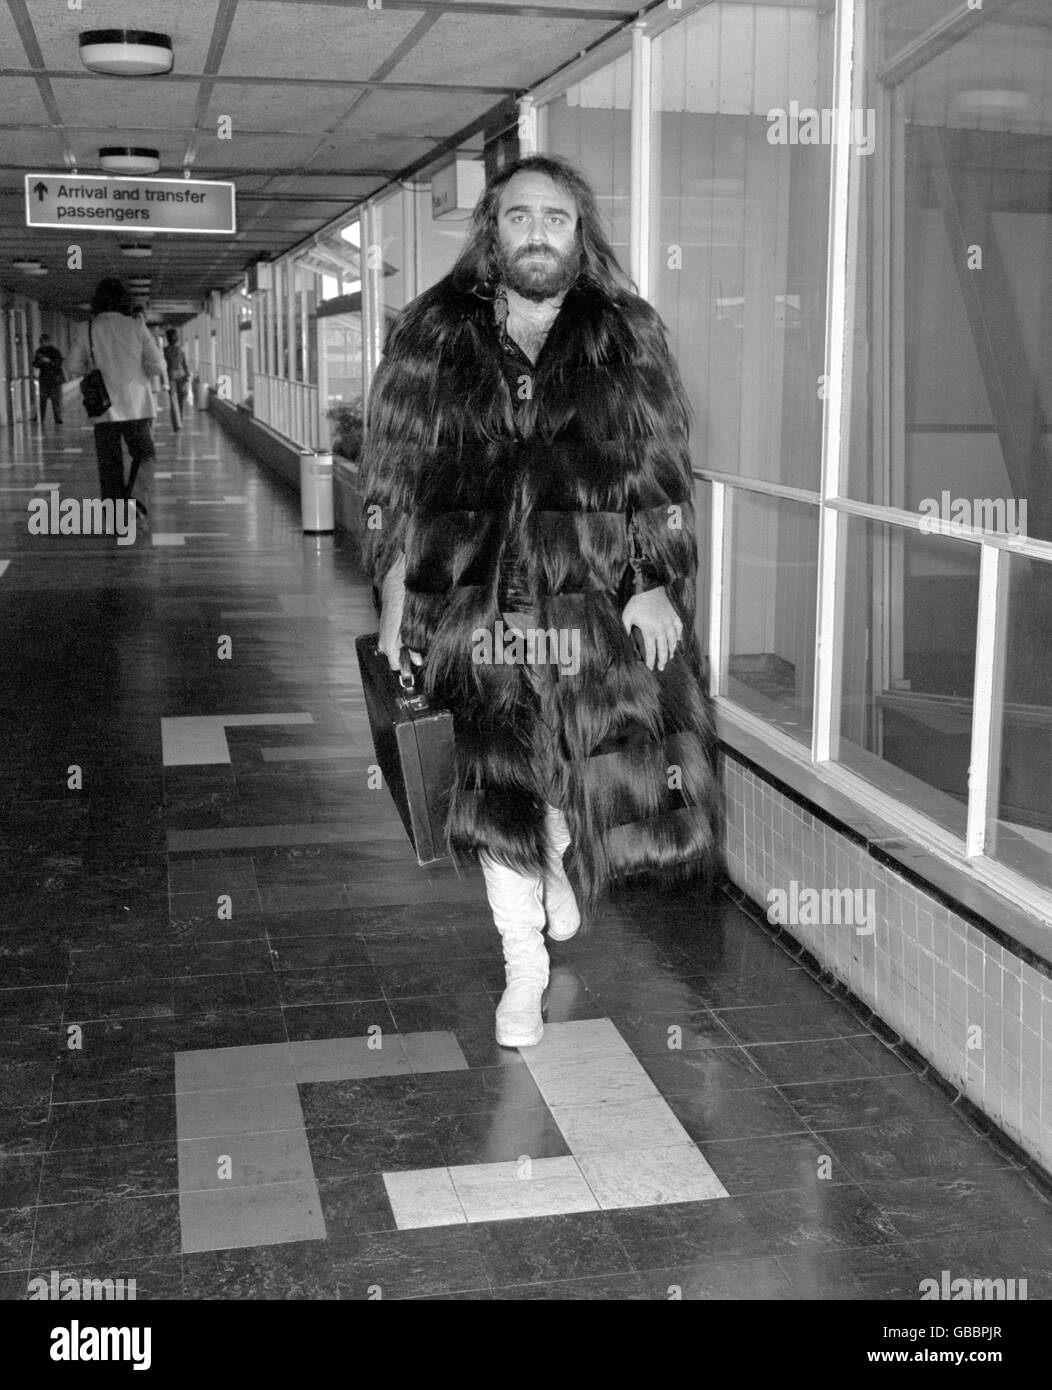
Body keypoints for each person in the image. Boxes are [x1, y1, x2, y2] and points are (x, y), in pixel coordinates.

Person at [359, 155, 720, 1049]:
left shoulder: (622, 336)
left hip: (587, 599)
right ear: (493, 230)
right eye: (518, 218)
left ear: (578, 232)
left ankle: (550, 859)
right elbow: (396, 484)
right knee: (493, 780)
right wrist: (397, 605)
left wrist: (651, 581)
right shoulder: (433, 337)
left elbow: (657, 473)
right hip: (470, 601)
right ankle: (523, 967)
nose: (536, 234)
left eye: (553, 219)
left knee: (568, 764)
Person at [69, 279, 165, 522]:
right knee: (145, 456)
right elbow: (157, 366)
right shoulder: (136, 326)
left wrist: (94, 367)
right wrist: (136, 372)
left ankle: (114, 517)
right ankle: (137, 502)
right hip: (136, 406)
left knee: (109, 465)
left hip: (103, 407)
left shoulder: (87, 328)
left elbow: (72, 366)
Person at [32, 334, 66, 425]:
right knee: (42, 399)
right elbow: (35, 364)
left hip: (55, 378)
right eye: (42, 342)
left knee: (56, 400)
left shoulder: (55, 351)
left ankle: (58, 418)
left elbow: (59, 363)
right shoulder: (39, 351)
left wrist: (49, 361)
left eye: (44, 341)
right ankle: (40, 417)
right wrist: (39, 361)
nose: (43, 343)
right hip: (44, 378)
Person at [163, 328, 192, 431]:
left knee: (174, 401)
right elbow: (185, 364)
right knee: (180, 401)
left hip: (171, 377)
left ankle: (177, 424)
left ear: (167, 338)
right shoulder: (181, 350)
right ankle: (180, 421)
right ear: (177, 338)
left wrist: (163, 380)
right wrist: (188, 376)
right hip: (181, 377)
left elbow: (163, 366)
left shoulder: (164, 351)